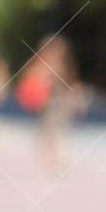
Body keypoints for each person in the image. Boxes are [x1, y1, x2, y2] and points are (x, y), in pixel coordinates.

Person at [17, 34, 79, 173]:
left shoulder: (65, 65)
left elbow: (71, 82)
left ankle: (53, 159)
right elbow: (30, 79)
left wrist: (73, 97)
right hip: (44, 102)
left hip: (58, 101)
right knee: (47, 130)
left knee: (55, 130)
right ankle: (48, 158)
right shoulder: (38, 63)